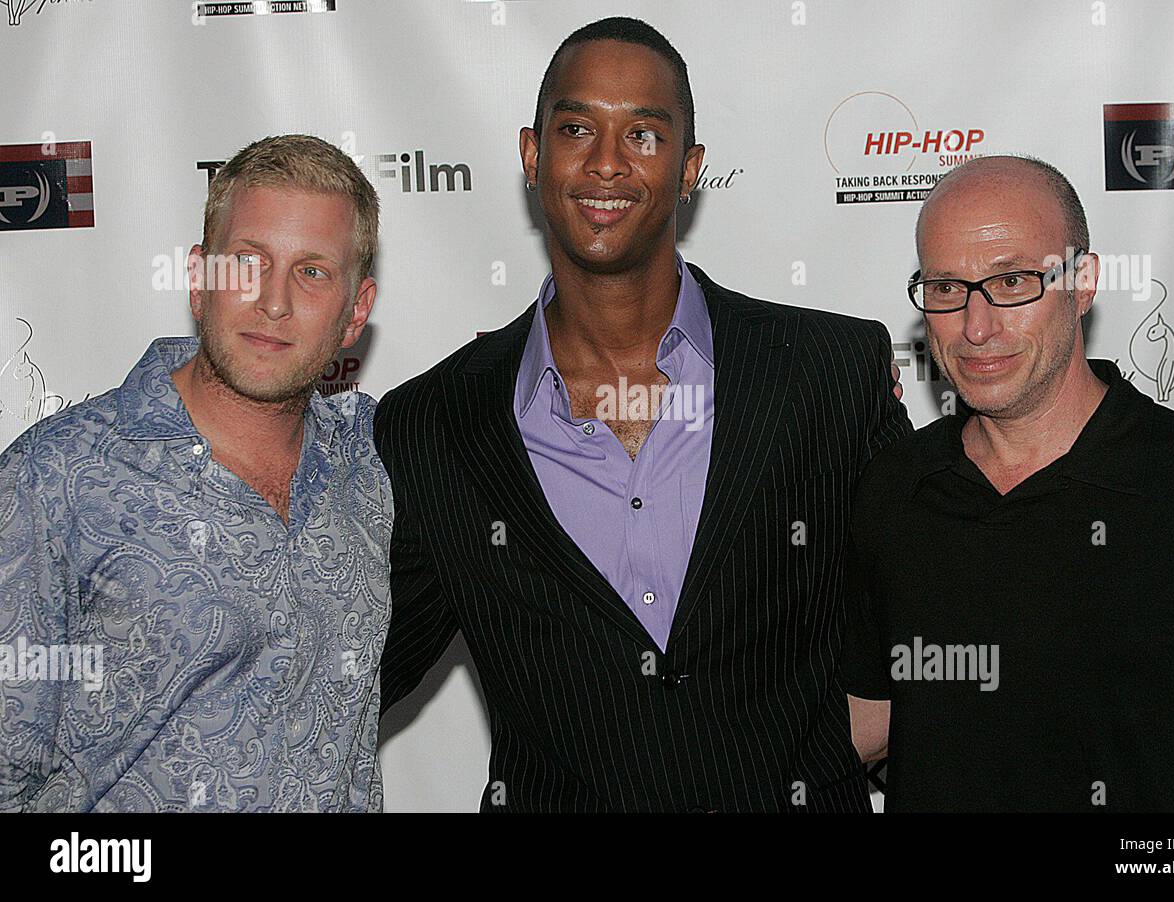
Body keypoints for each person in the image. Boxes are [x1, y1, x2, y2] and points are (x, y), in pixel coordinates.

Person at [375, 17, 910, 811]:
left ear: (690, 169)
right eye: (578, 127)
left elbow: (927, 610)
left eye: (645, 135)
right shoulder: (434, 424)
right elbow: (352, 675)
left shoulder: (827, 373)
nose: (606, 163)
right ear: (533, 153)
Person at [842, 154, 1174, 812]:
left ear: (1082, 283)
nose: (976, 327)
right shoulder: (892, 487)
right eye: (946, 288)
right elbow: (875, 716)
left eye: (1012, 282)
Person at [0, 134, 392, 811]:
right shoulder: (57, 478)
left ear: (355, 312)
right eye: (247, 262)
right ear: (197, 277)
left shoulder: (373, 460)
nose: (273, 301)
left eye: (313, 272)